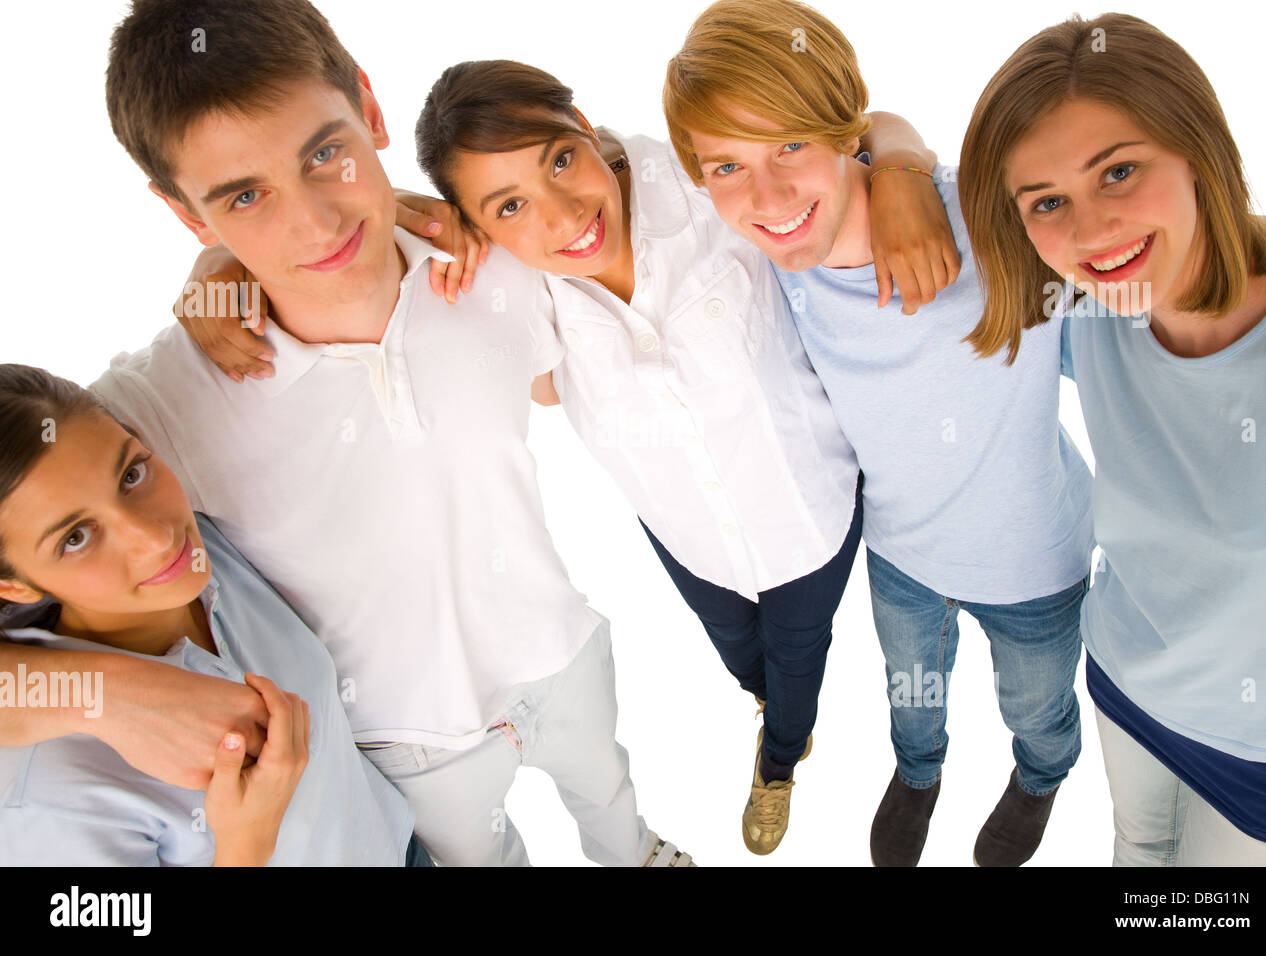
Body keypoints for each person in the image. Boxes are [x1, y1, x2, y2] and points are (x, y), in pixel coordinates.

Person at [175, 54, 959, 854]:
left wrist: (896, 166)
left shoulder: (705, 187)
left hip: (808, 520)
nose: (562, 214)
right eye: (509, 204)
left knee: (799, 662)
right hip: (686, 538)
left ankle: (782, 758)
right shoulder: (506, 279)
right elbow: (375, 262)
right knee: (742, 656)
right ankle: (764, 700)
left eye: (559, 159)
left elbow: (844, 142)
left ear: (585, 128)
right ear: (479, 226)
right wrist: (220, 271)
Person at [0, 0, 691, 868]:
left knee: (612, 796)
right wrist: (101, 694)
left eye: (326, 153)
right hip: (408, 742)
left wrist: (886, 157)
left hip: (557, 649)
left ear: (369, 106)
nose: (317, 224)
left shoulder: (498, 255)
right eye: (244, 197)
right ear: (185, 213)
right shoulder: (146, 414)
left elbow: (667, 187)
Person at [661, 0, 1095, 866]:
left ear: (842, 129)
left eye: (789, 144)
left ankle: (1042, 776)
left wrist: (905, 167)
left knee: (1037, 707)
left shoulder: (993, 220)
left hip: (1035, 563)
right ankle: (919, 771)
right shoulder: (755, 267)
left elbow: (1164, 278)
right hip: (900, 559)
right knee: (913, 697)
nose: (769, 196)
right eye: (727, 166)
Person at [957, 12, 1266, 866]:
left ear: (1199, 146)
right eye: (1047, 201)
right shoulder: (1086, 314)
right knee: (1137, 856)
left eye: (1118, 170)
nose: (1089, 233)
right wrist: (890, 164)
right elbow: (865, 176)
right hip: (1125, 682)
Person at [0, 365, 421, 865]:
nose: (156, 538)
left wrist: (223, 287)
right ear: (14, 586)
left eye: (132, 474)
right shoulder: (47, 796)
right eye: (76, 538)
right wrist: (246, 843)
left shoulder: (213, 548)